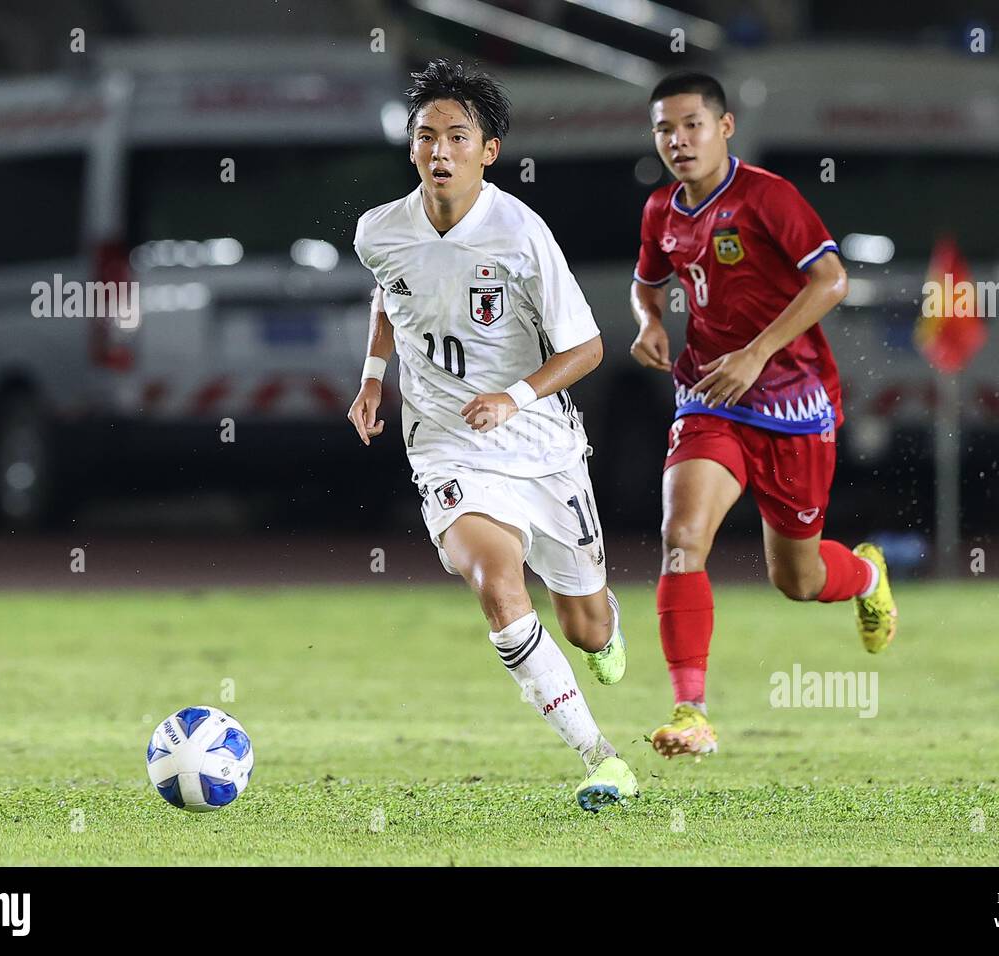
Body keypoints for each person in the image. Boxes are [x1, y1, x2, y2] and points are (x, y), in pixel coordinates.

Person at [347, 59, 636, 810]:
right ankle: (600, 757)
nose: (438, 151)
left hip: (541, 445)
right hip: (447, 443)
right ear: (410, 147)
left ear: (488, 150)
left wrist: (513, 395)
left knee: (588, 624)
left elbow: (588, 348)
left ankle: (603, 632)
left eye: (456, 136)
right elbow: (392, 294)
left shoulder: (520, 233)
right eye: (425, 136)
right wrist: (375, 375)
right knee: (496, 583)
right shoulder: (379, 230)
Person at [627, 72, 898, 759]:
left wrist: (757, 351)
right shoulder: (662, 209)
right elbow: (646, 281)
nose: (677, 140)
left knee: (797, 581)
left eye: (691, 124)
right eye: (664, 129)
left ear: (724, 127)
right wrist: (649, 321)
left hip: (795, 407)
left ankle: (866, 574)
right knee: (682, 536)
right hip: (711, 399)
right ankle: (692, 712)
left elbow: (832, 278)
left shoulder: (767, 197)